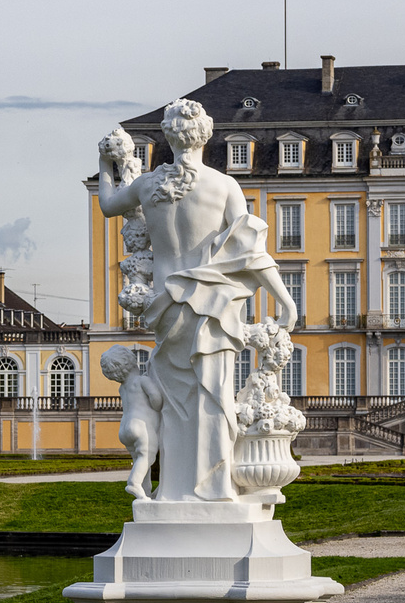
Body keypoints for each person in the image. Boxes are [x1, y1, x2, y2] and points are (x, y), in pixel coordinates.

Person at [97, 100, 299, 502]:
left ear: (169, 136)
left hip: (166, 308)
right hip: (211, 308)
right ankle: (214, 489)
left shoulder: (146, 185)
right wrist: (285, 299)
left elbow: (107, 205)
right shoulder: (223, 185)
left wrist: (105, 163)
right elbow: (251, 253)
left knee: (175, 403)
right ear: (205, 136)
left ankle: (174, 490)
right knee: (213, 396)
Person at [100, 346, 163, 500]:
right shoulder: (142, 380)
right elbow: (157, 400)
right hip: (140, 426)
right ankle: (134, 482)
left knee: (139, 460)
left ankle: (145, 492)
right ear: (132, 362)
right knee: (147, 456)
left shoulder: (123, 388)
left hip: (125, 428)